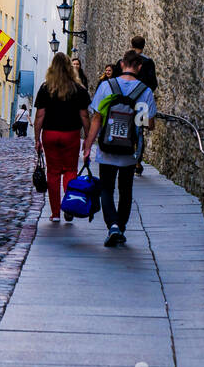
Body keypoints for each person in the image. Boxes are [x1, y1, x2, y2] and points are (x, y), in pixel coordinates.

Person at [83, 50, 156, 248]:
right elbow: (148, 124)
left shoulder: (107, 86)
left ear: (122, 64)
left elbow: (96, 118)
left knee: (106, 188)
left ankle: (112, 225)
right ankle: (121, 228)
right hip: (130, 150)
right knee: (126, 190)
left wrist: (88, 146)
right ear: (139, 67)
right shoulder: (145, 91)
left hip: (107, 147)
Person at [34, 53, 90, 223]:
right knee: (70, 171)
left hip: (50, 134)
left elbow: (40, 116)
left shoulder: (45, 88)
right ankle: (69, 205)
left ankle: (55, 213)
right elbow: (85, 116)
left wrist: (37, 138)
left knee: (53, 173)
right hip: (71, 134)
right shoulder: (79, 89)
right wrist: (88, 138)